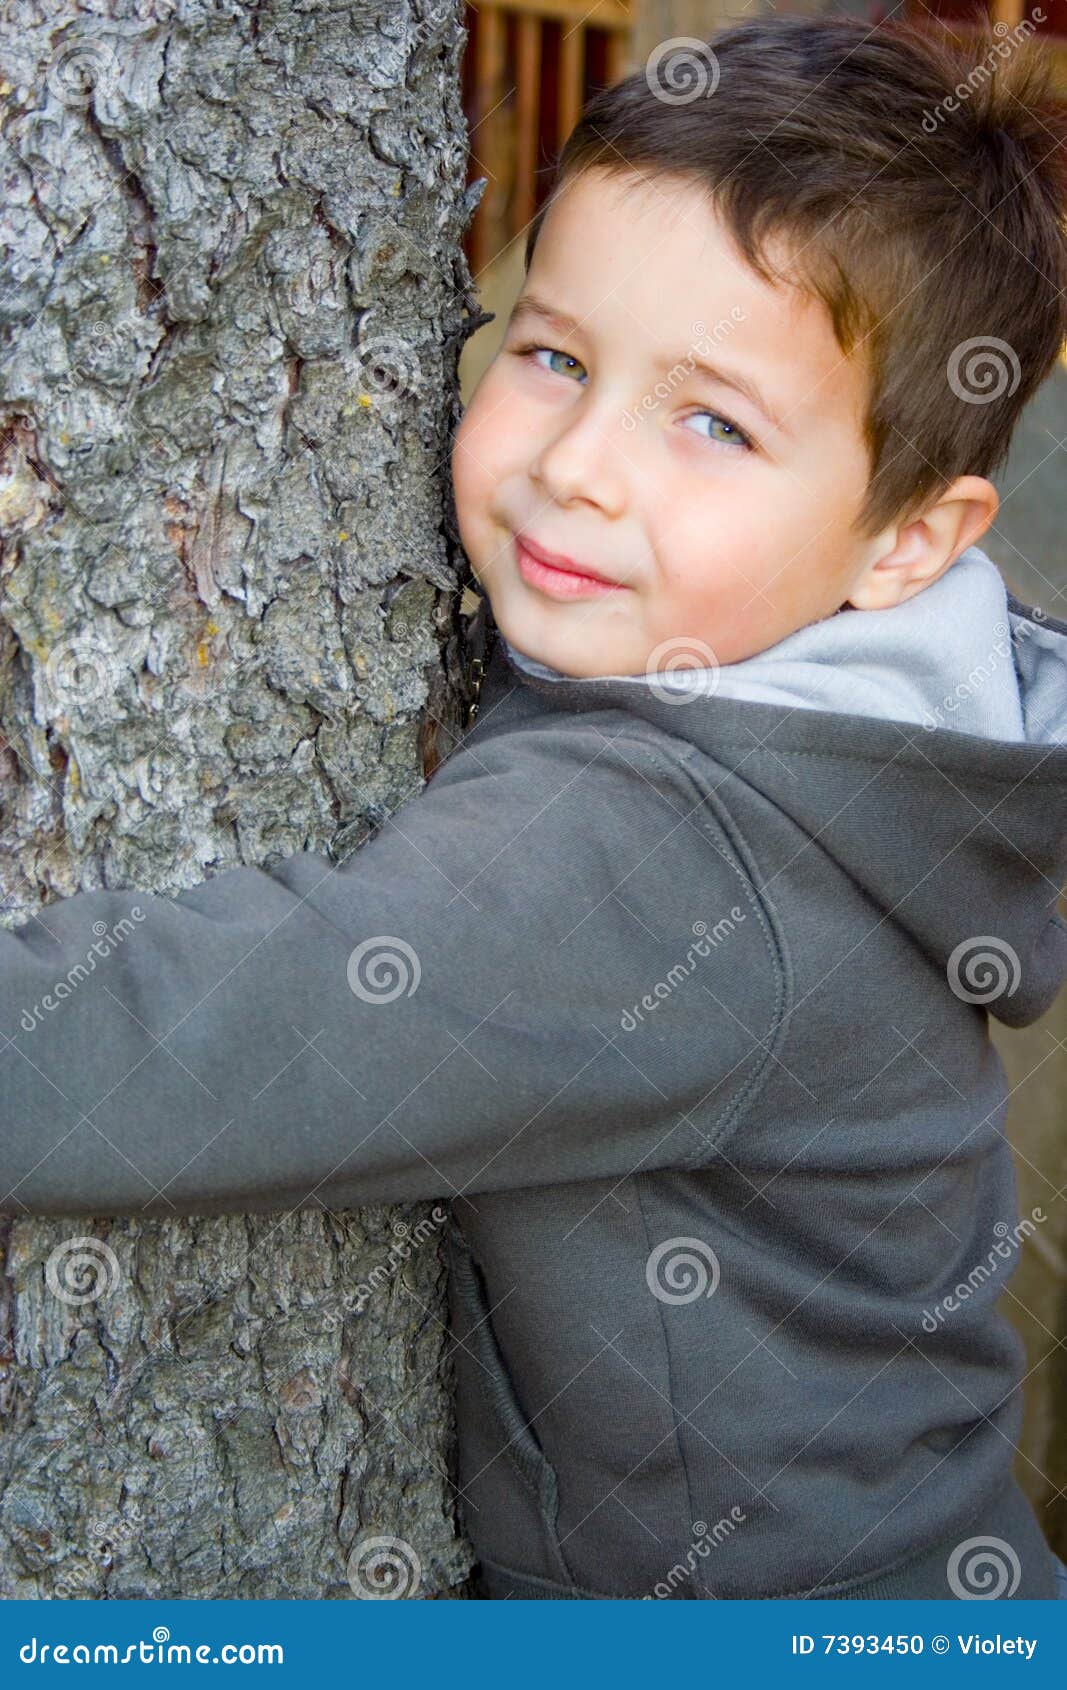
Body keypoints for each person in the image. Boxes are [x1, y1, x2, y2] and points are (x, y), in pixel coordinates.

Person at [2, 16, 1067, 1599]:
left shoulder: (668, 857)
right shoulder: (853, 723)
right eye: (555, 355)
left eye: (714, 422)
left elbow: (206, 1036)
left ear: (910, 538)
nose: (578, 466)